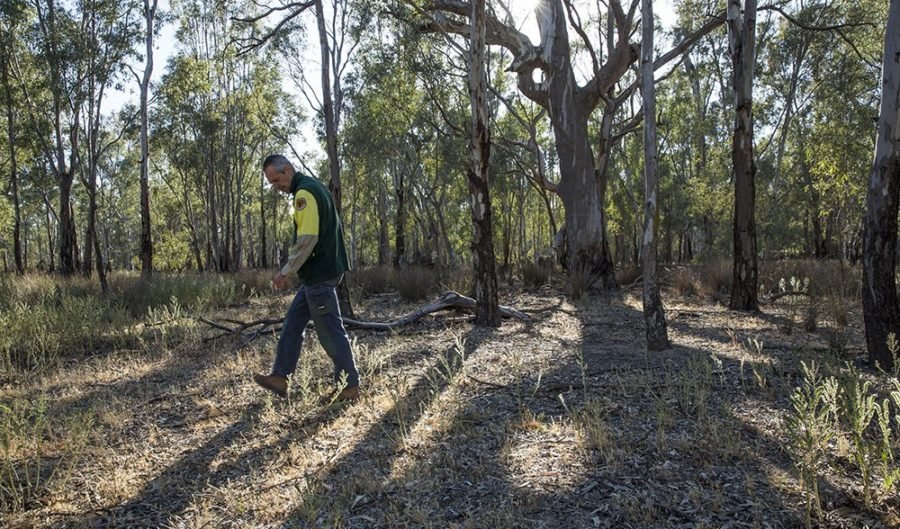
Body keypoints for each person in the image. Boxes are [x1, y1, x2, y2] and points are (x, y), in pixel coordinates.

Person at [253, 154, 360, 402]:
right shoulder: (313, 186)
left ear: (288, 170)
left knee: (330, 332)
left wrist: (286, 270)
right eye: (270, 182)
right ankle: (280, 377)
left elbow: (307, 239)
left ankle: (349, 386)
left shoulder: (304, 194)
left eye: (276, 179)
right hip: (318, 274)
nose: (275, 186)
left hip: (319, 274)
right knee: (292, 324)